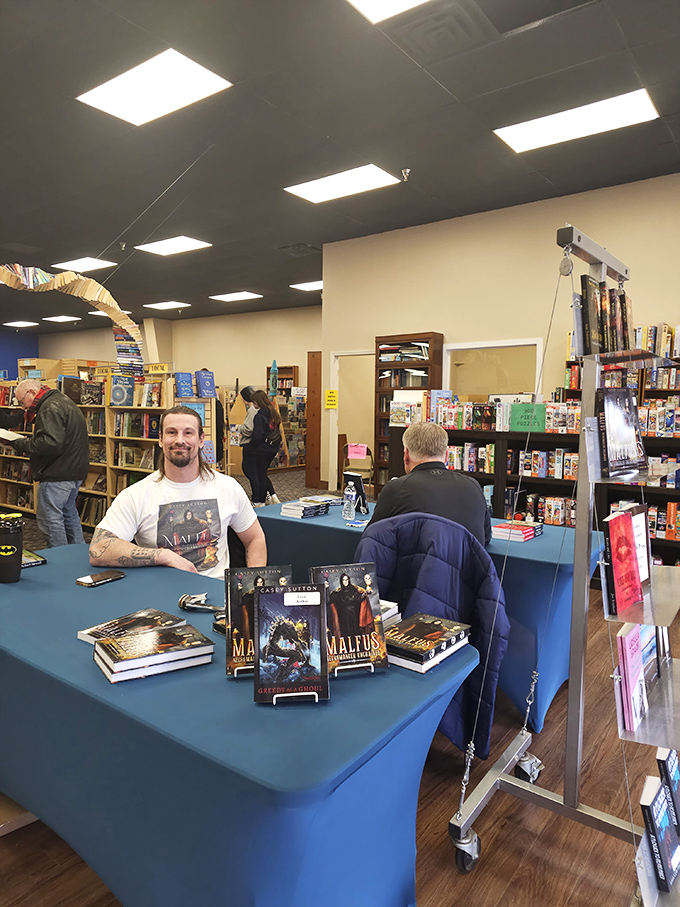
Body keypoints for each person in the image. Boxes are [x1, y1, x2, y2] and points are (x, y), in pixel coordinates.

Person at [89, 404, 266, 576]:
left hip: (216, 590)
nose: (180, 440)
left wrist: (253, 584)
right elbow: (98, 548)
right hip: (161, 592)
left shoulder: (228, 487)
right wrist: (162, 556)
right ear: (160, 439)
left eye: (188, 433)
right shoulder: (136, 495)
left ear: (201, 440)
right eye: (171, 432)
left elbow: (255, 538)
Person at [367, 421, 491, 547]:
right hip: (465, 560)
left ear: (406, 455)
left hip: (416, 560)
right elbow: (485, 538)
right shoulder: (473, 486)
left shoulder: (396, 489)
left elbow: (371, 539)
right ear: (446, 455)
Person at [8, 378, 89, 547]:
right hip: (74, 470)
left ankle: (60, 558)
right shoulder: (64, 401)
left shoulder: (49, 407)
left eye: (22, 401)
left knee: (50, 520)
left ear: (32, 392)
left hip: (56, 472)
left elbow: (49, 443)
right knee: (69, 514)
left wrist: (20, 444)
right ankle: (78, 554)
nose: (24, 407)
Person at [249, 389, 281, 507]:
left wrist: (252, 445)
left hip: (262, 449)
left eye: (254, 402)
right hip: (273, 448)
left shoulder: (259, 416)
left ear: (258, 402)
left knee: (261, 476)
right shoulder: (273, 412)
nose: (253, 404)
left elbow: (257, 435)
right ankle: (272, 496)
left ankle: (261, 502)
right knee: (263, 473)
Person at [238, 385, 259, 503]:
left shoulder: (251, 410)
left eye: (242, 397)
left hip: (250, 444)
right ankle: (263, 495)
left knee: (250, 471)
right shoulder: (257, 408)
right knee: (254, 471)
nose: (241, 399)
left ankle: (257, 497)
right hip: (255, 444)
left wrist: (238, 428)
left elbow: (248, 429)